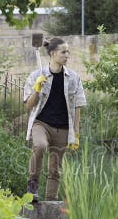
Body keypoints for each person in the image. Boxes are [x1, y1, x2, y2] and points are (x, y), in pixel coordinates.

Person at [23, 37, 86, 202]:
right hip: (41, 123)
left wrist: (76, 133)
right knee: (40, 145)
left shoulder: (74, 77)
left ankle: (50, 201)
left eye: (68, 52)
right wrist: (36, 89)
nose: (67, 55)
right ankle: (32, 185)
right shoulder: (36, 75)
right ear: (52, 53)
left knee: (55, 168)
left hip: (64, 127)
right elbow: (28, 106)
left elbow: (78, 105)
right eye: (63, 52)